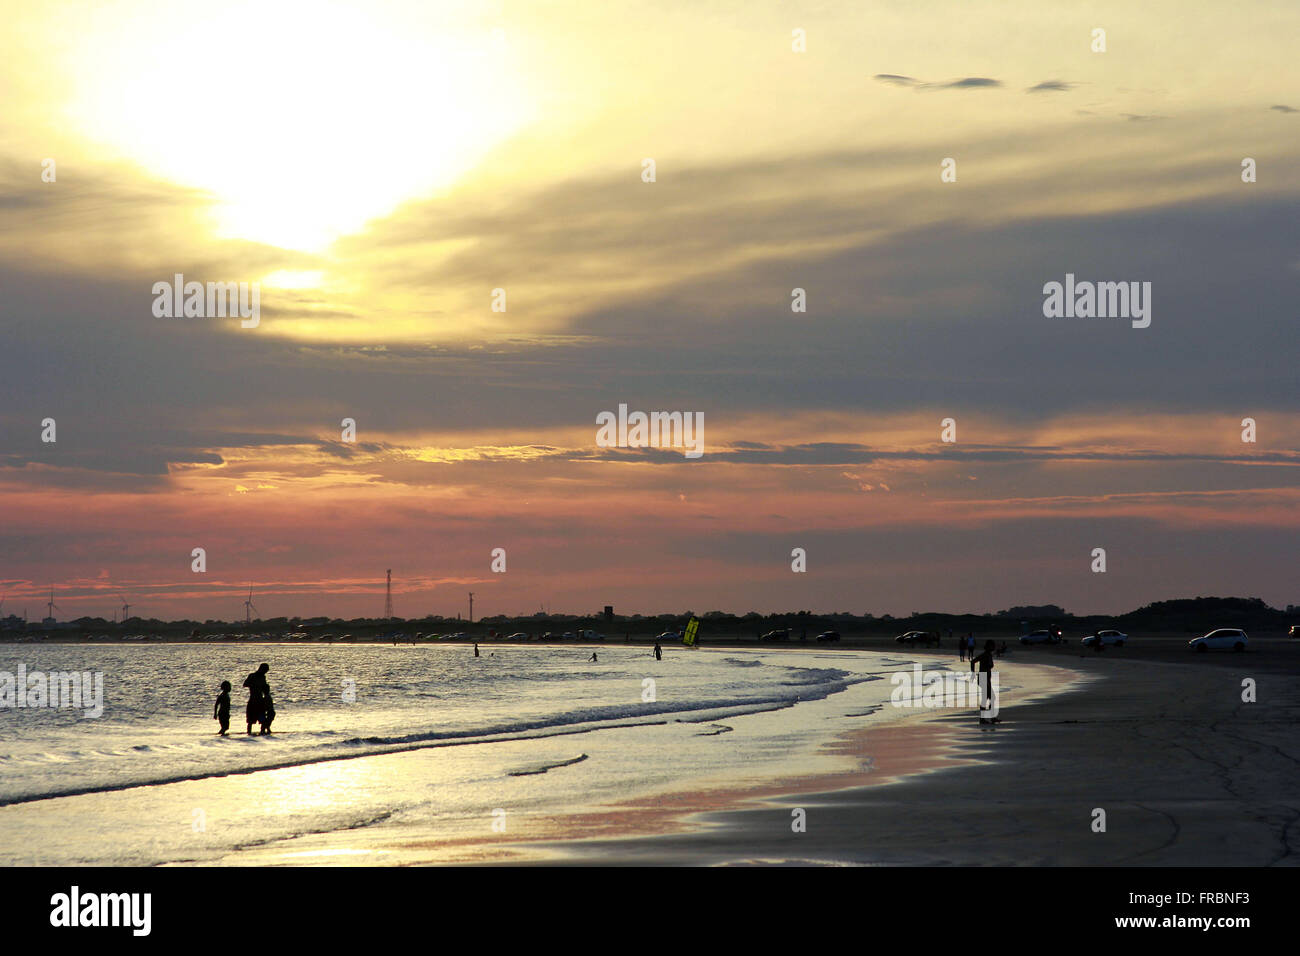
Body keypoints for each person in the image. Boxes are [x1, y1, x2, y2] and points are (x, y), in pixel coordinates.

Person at [970, 639, 999, 724]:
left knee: (987, 698)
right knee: (991, 698)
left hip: (986, 678)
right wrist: (973, 673)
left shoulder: (988, 655)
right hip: (983, 678)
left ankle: (985, 718)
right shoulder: (985, 655)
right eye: (992, 646)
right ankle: (988, 718)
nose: (993, 647)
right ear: (988, 647)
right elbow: (973, 661)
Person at [243, 663, 270, 736]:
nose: (265, 672)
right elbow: (245, 684)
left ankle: (263, 732)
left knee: (263, 719)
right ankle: (249, 734)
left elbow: (265, 688)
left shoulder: (263, 677)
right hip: (253, 700)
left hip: (260, 701)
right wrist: (254, 685)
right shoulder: (252, 676)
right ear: (261, 669)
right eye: (265, 670)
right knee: (250, 721)